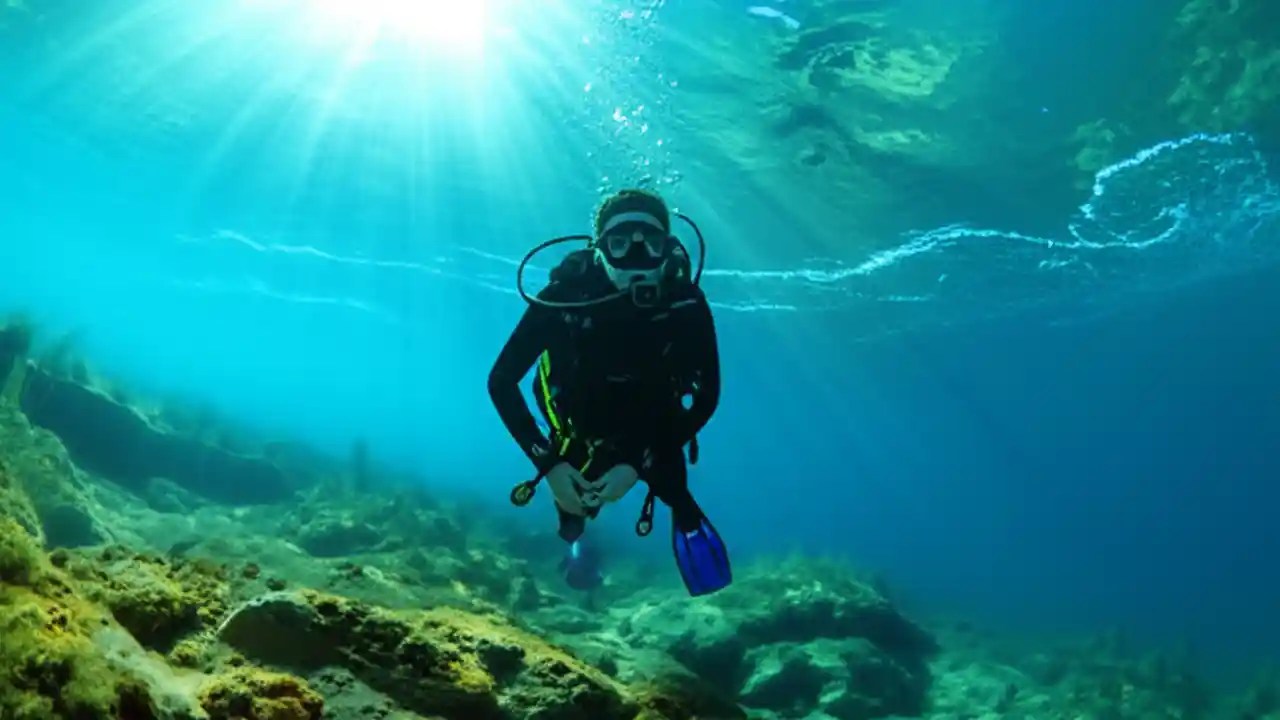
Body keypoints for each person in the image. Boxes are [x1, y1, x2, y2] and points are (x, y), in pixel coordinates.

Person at [487, 188, 731, 597]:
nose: (636, 258)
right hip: (576, 423)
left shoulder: (685, 304)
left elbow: (707, 397)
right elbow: (501, 381)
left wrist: (637, 462)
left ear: (667, 249)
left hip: (652, 429)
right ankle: (576, 540)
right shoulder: (564, 298)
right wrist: (548, 464)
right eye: (620, 244)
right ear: (599, 251)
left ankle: (686, 526)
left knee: (675, 491)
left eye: (649, 244)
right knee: (572, 513)